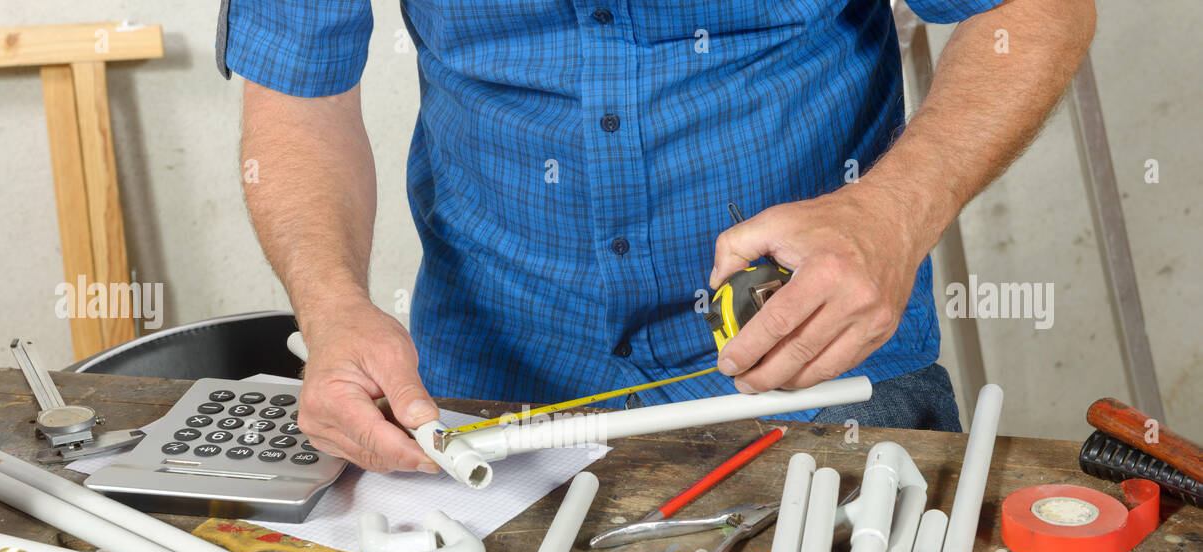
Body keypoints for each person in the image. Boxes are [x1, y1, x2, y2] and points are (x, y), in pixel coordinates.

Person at [217, 0, 1095, 473]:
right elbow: (298, 99)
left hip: (823, 375)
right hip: (483, 398)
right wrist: (331, 306)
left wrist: (895, 210)